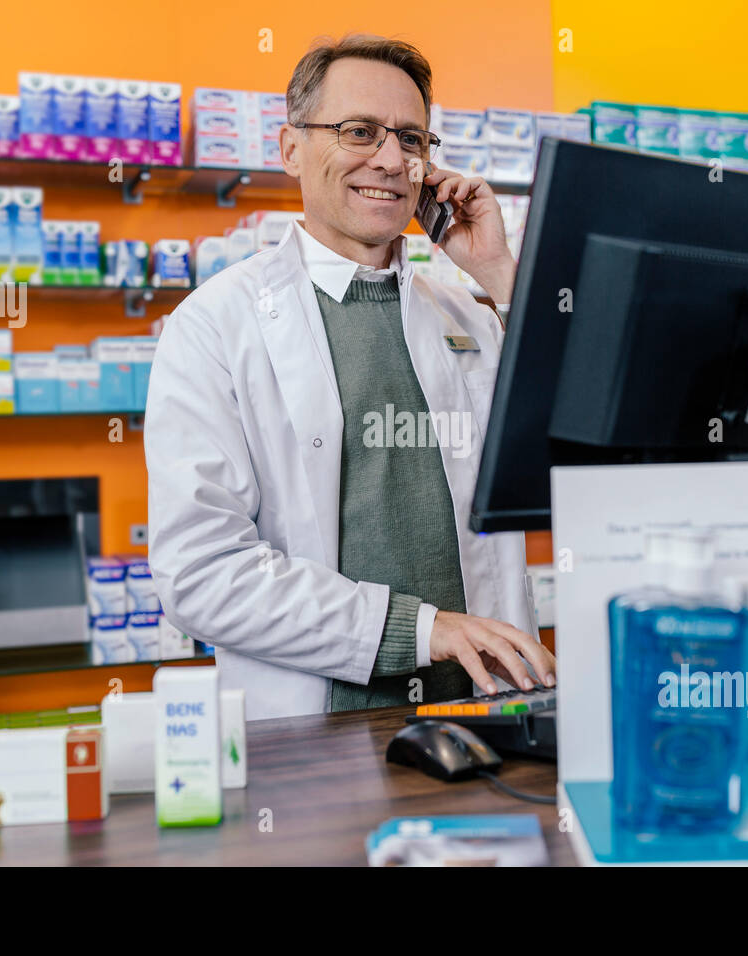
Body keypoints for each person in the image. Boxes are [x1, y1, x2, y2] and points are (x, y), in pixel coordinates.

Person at [146, 33, 556, 720]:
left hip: (487, 720)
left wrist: (499, 275)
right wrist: (423, 631)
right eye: (358, 131)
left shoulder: (471, 315)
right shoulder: (216, 324)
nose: (392, 160)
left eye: (412, 138)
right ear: (290, 149)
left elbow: (571, 457)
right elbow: (201, 574)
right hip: (319, 736)